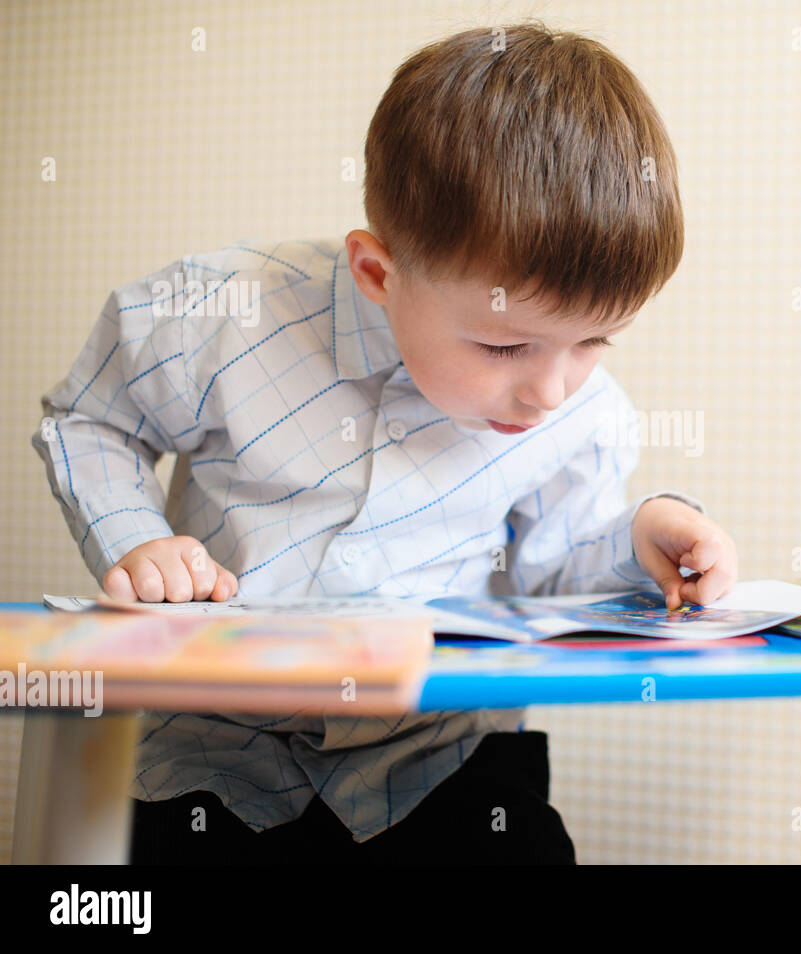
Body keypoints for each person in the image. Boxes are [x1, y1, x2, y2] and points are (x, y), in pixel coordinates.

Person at [31, 20, 739, 865]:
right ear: (377, 272)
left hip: (442, 761)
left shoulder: (580, 413)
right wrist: (138, 540)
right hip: (213, 760)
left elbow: (553, 570)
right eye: (506, 347)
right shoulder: (224, 313)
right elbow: (89, 420)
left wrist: (638, 538)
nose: (552, 391)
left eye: (595, 343)